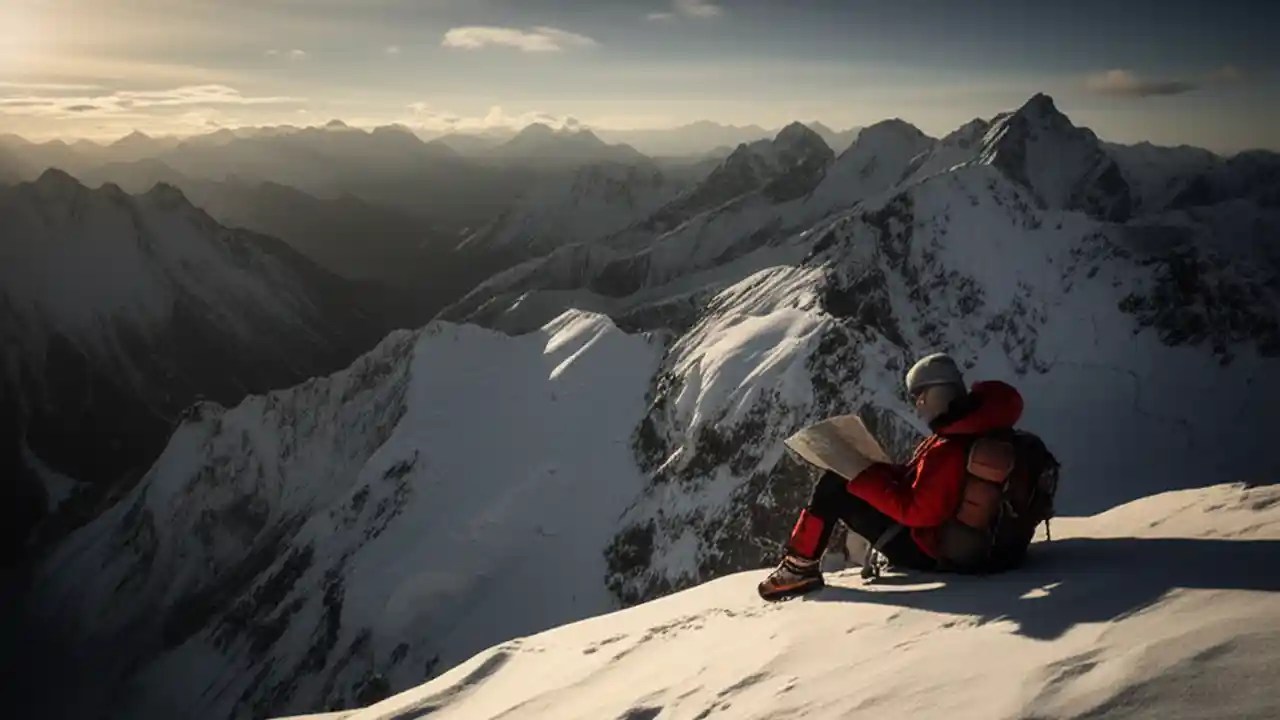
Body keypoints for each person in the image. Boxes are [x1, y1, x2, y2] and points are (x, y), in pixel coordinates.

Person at [758, 352, 1025, 601]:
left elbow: (916, 512)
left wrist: (862, 479)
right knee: (844, 481)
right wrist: (878, 473)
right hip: (978, 546)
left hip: (929, 551)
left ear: (937, 393)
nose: (918, 405)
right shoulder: (977, 430)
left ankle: (799, 568)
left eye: (921, 395)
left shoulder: (949, 448)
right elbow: (929, 486)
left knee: (835, 484)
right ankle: (800, 565)